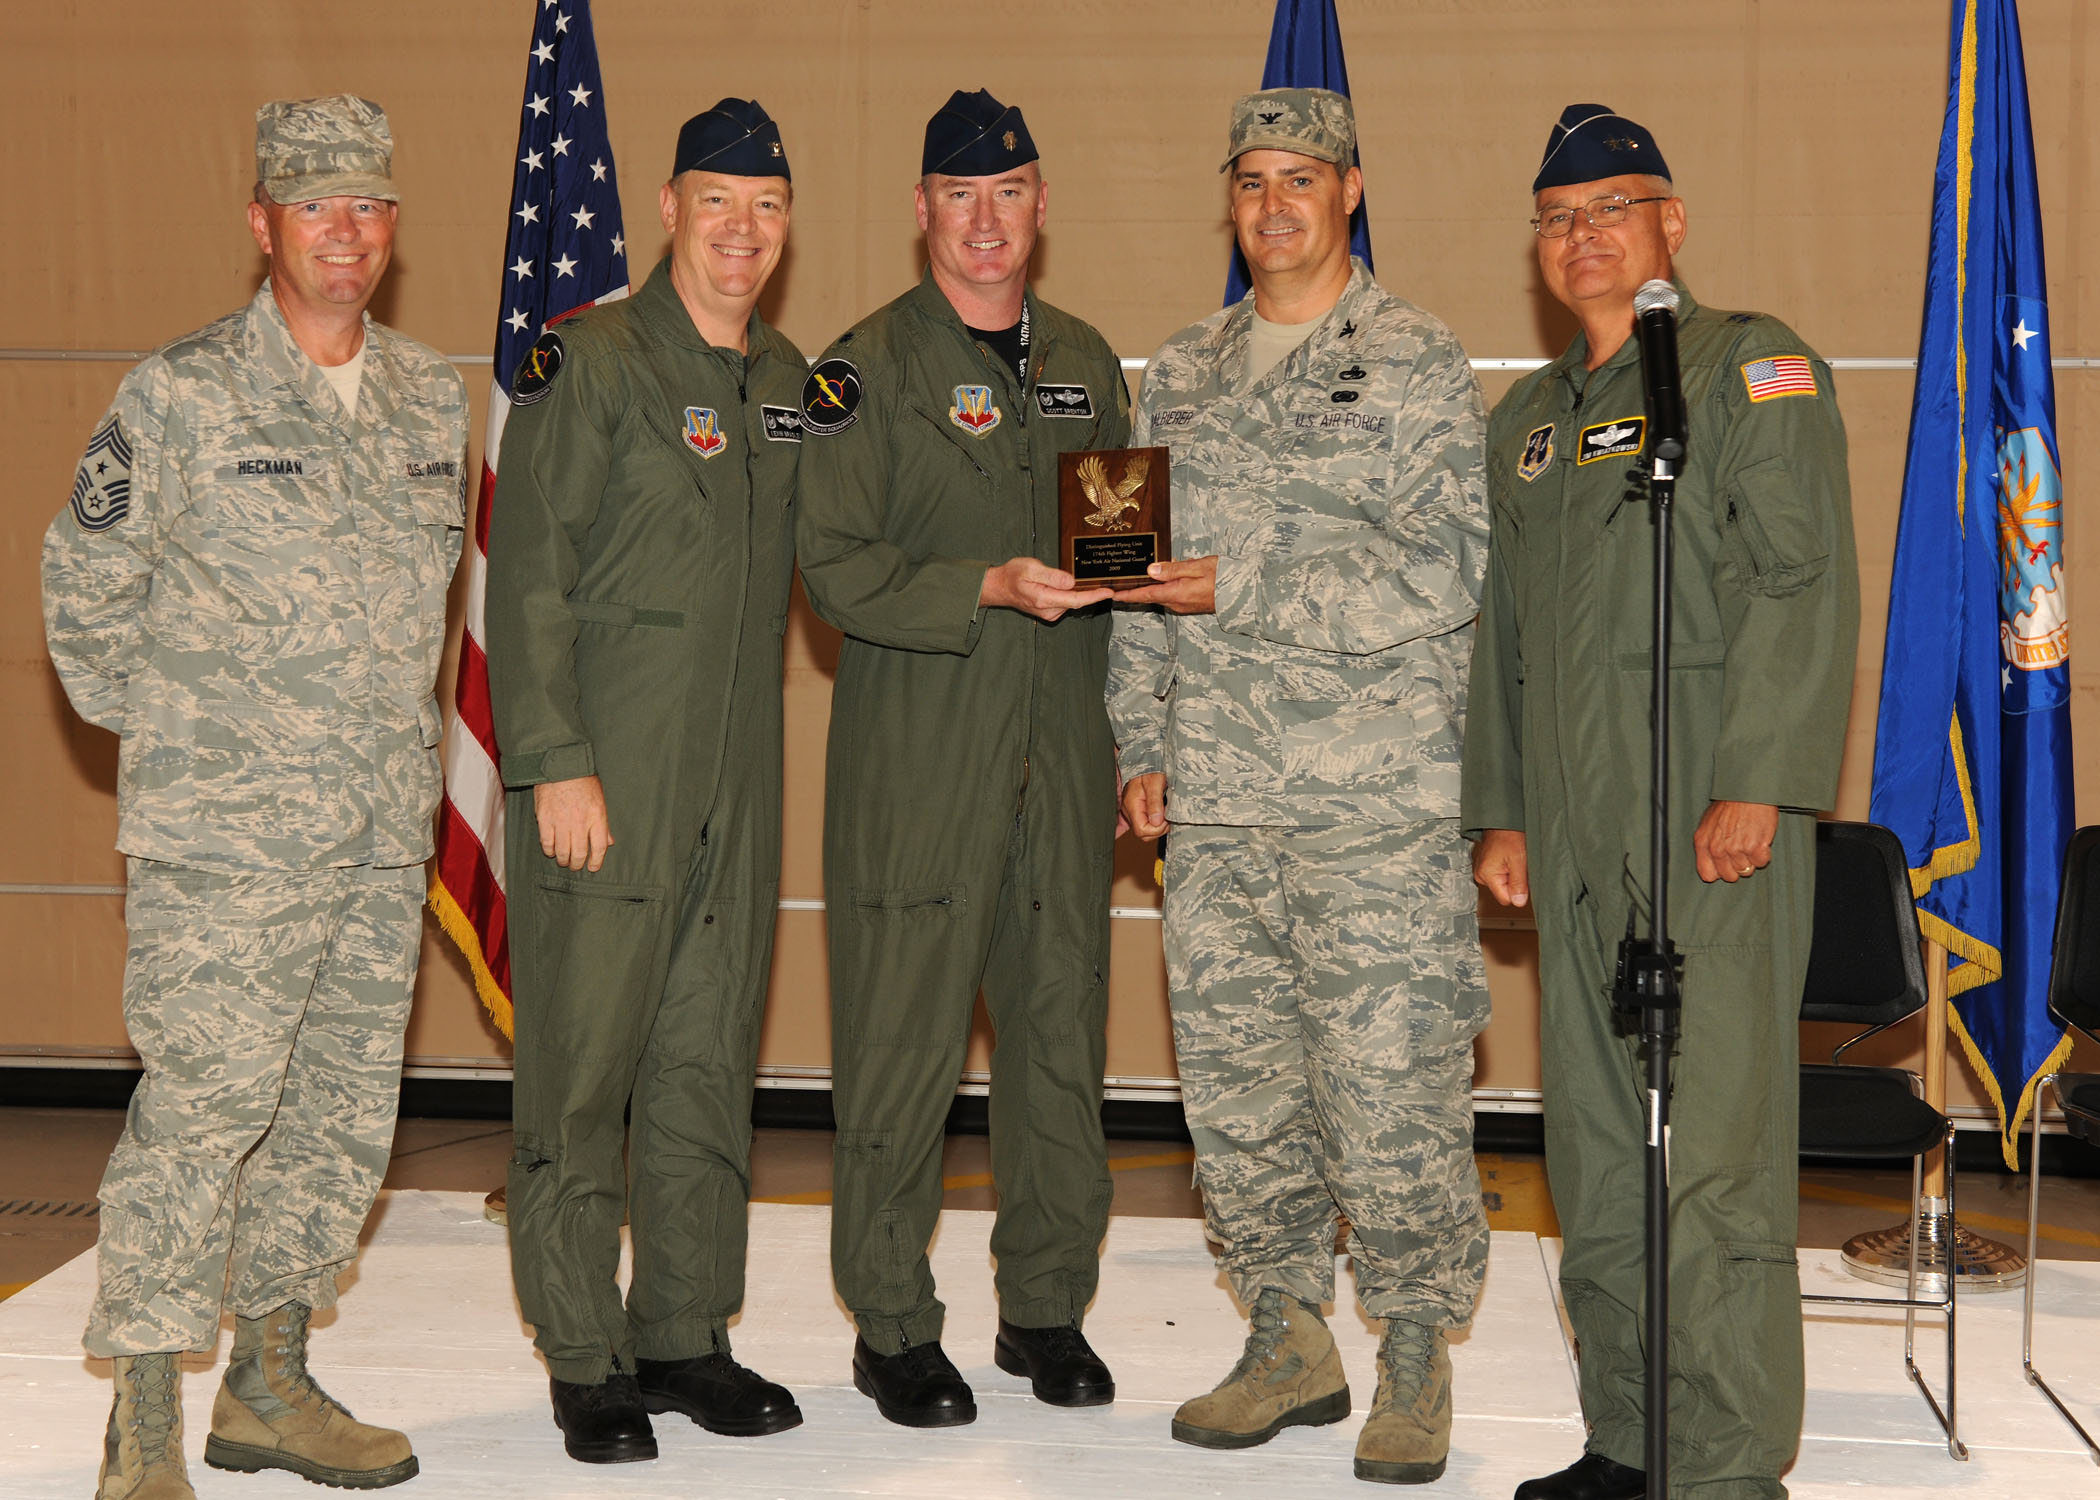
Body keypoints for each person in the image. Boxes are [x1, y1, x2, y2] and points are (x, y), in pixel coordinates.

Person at [41, 96, 465, 1499]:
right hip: (225, 842)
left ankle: (271, 1380)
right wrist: (191, 744)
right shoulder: (184, 393)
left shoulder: (427, 396)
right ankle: (146, 1417)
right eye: (316, 205)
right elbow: (86, 589)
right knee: (206, 1110)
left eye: (369, 206)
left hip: (372, 831)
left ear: (394, 227)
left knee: (340, 1108)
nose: (346, 231)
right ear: (263, 224)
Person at [1461, 105, 1859, 1500]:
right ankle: (1631, 1436)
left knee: (1713, 1153)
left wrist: (1760, 778)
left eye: (1611, 210)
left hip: (1707, 817)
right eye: (1558, 217)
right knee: (1593, 1145)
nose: (1582, 238)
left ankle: (1733, 1462)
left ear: (1668, 226)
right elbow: (1505, 634)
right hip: (1568, 833)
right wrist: (1502, 810)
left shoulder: (1748, 370)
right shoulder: (1528, 420)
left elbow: (1801, 582)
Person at [1106, 88, 1491, 1486]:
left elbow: (1451, 571)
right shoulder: (1182, 369)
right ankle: (1286, 1336)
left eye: (1303, 181)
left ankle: (1413, 1354)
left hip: (1373, 809)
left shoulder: (1417, 361)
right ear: (1232, 198)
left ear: (1350, 193)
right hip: (1217, 803)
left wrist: (1247, 585)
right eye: (1254, 181)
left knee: (1390, 1094)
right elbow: (1128, 573)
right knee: (1242, 1091)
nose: (1275, 206)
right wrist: (1139, 738)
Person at [795, 87, 1129, 1429]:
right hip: (917, 772)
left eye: (1010, 195)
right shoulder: (858, 372)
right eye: (959, 198)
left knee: (1059, 1047)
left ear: (1041, 207)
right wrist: (982, 585)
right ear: (921, 211)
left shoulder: (1091, 366)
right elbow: (836, 570)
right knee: (900, 1052)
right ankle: (891, 1324)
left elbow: (1118, 553)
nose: (986, 224)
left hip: (1061, 767)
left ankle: (1044, 1310)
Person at [482, 100, 807, 1465]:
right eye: (718, 202)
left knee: (700, 1060)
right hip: (607, 781)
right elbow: (531, 575)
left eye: (768, 208)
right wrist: (553, 761)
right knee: (582, 1070)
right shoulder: (593, 360)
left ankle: (682, 1330)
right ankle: (582, 1349)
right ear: (669, 208)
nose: (742, 230)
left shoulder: (788, 380)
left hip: (736, 784)